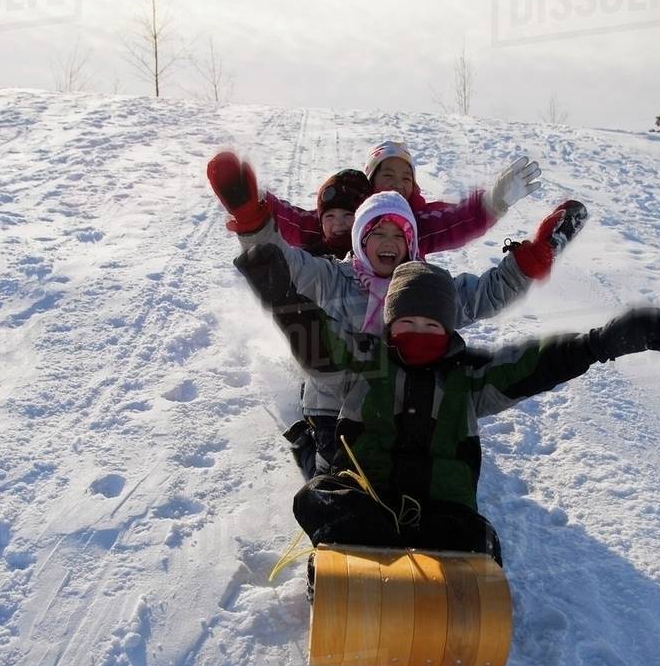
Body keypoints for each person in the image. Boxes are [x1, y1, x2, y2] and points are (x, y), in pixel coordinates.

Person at [233, 249, 660, 569]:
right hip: (367, 496)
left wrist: (599, 344)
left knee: (474, 538)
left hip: (439, 509)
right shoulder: (364, 361)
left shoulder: (470, 378)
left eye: (431, 325)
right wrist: (282, 297)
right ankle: (337, 571)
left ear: (448, 329)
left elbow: (533, 365)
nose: (418, 332)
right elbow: (319, 343)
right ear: (389, 325)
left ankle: (456, 590)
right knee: (321, 499)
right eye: (406, 323)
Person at [212, 153, 589, 473]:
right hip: (335, 405)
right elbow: (282, 263)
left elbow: (485, 294)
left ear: (410, 243)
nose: (388, 243)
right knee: (339, 476)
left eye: (398, 235)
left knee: (415, 473)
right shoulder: (333, 278)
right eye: (377, 234)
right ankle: (307, 447)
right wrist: (251, 221)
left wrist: (535, 255)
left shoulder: (424, 289)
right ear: (360, 241)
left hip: (400, 404)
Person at [210, 140, 542, 260]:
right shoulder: (345, 213)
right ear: (370, 182)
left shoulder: (414, 225)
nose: (398, 185)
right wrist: (260, 203)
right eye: (388, 175)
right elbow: (299, 223)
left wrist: (495, 201)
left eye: (406, 178)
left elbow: (455, 222)